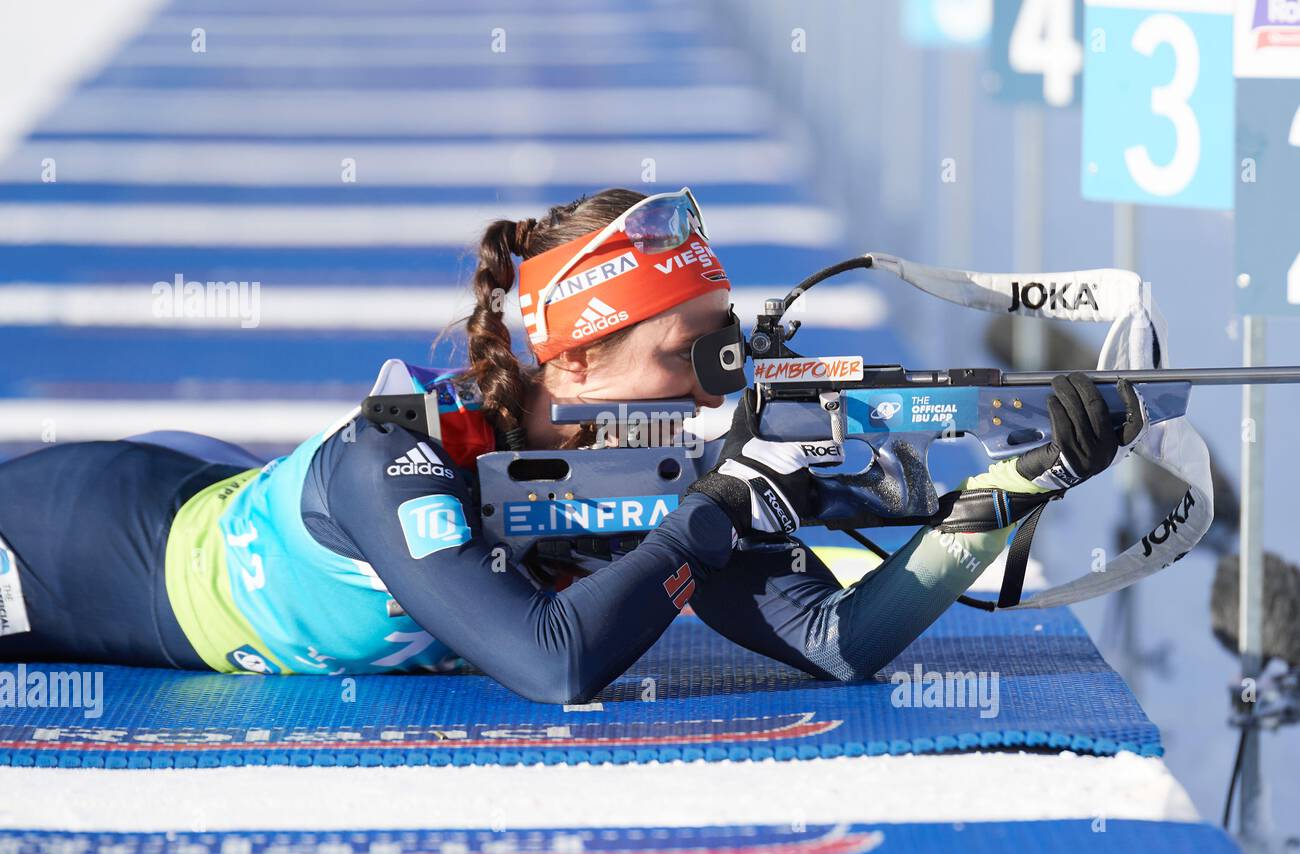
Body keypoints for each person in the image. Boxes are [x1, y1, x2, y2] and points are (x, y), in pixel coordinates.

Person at [0, 187, 1147, 703]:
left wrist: (1019, 479)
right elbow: (555, 663)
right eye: (687, 351)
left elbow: (842, 643)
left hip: (206, 482)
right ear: (578, 364)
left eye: (729, 341)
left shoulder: (648, 466)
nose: (724, 376)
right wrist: (716, 516)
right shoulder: (392, 454)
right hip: (94, 543)